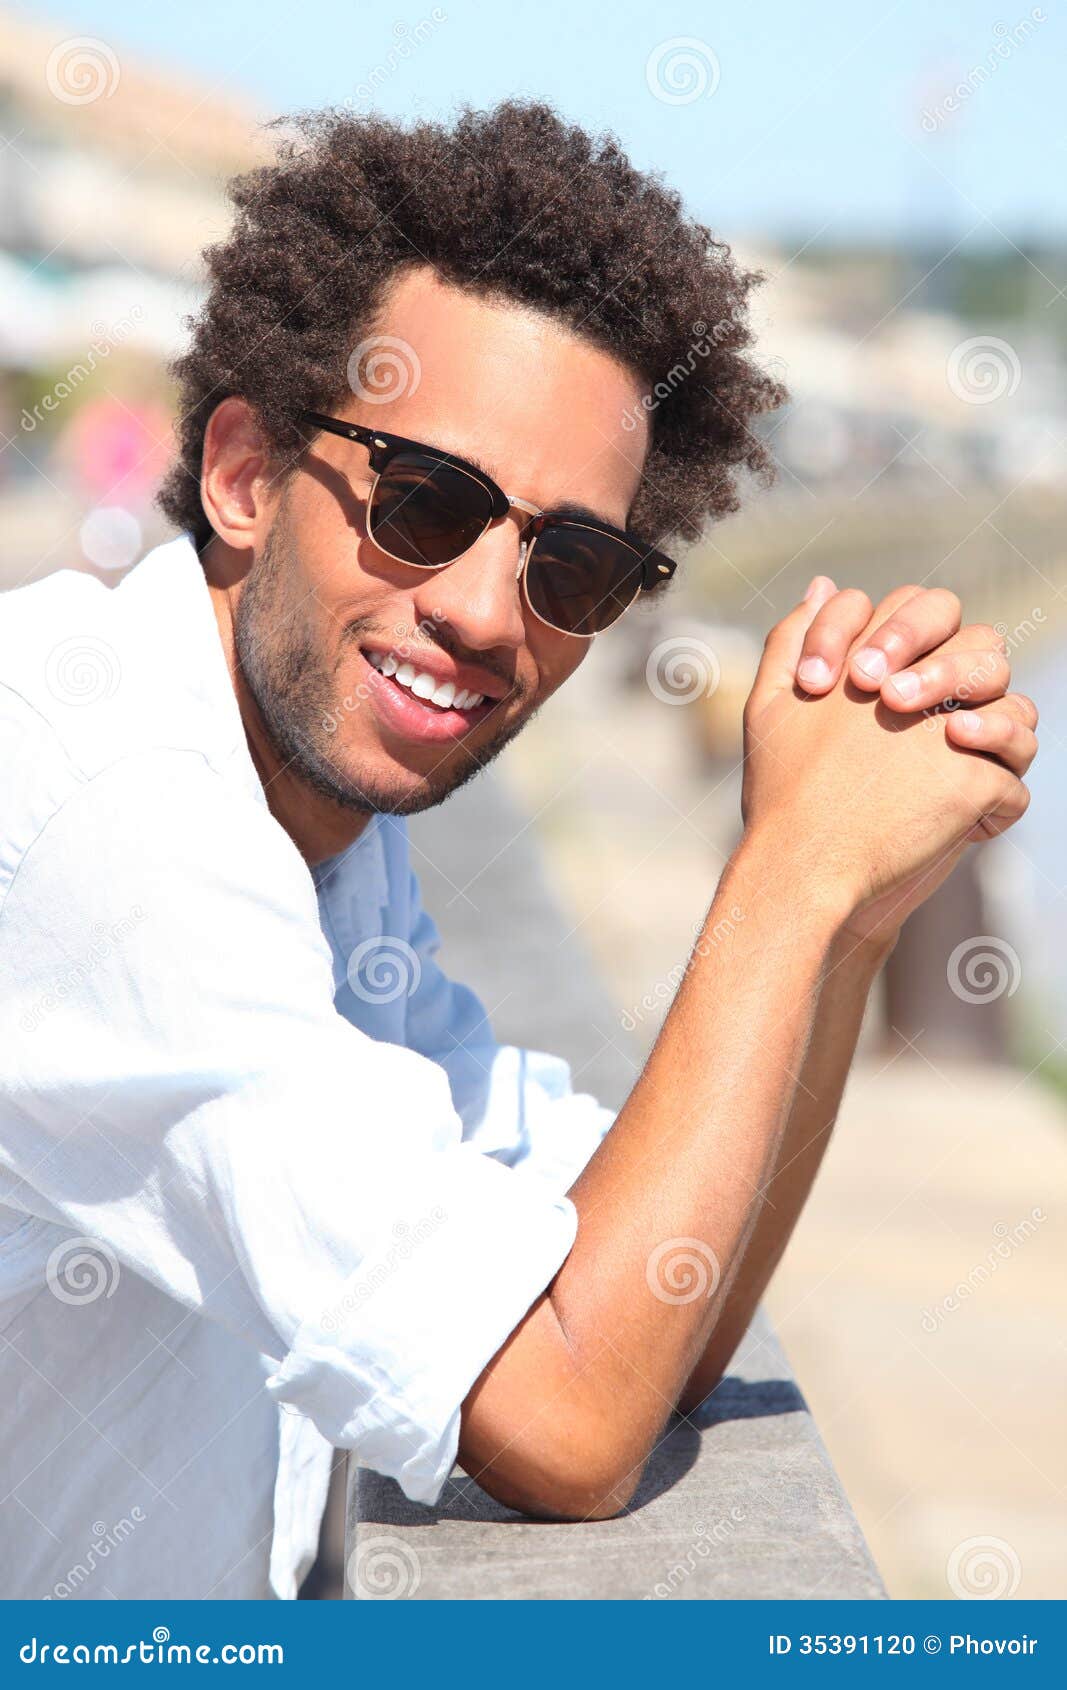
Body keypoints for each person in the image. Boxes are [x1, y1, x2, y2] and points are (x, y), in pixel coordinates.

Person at [0, 102, 1037, 1600]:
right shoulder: (110, 809)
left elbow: (650, 1311)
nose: (489, 612)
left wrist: (853, 918)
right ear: (242, 473)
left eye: (572, 560)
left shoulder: (321, 826)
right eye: (427, 501)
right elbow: (564, 1413)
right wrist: (787, 870)